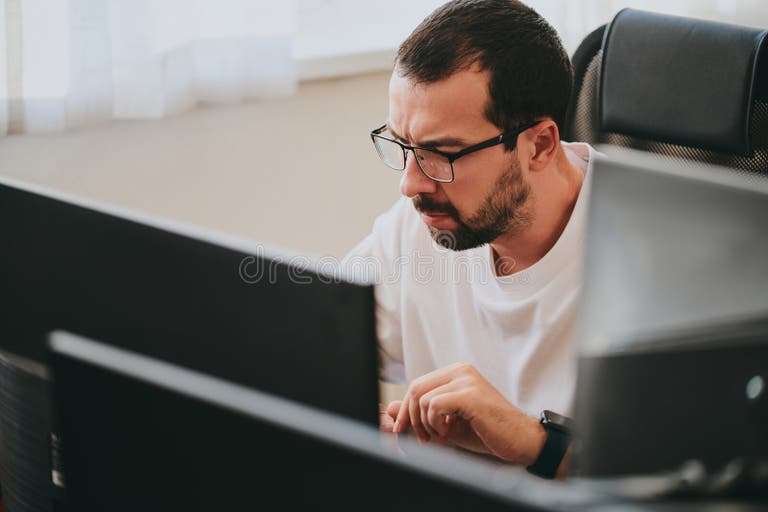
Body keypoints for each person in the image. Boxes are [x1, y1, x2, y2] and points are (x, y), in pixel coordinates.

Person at [343, 0, 597, 479]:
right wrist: (345, 416)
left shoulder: (659, 258)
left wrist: (537, 444)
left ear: (539, 145)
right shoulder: (424, 220)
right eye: (403, 146)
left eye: (442, 154)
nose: (411, 184)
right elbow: (314, 341)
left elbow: (702, 480)